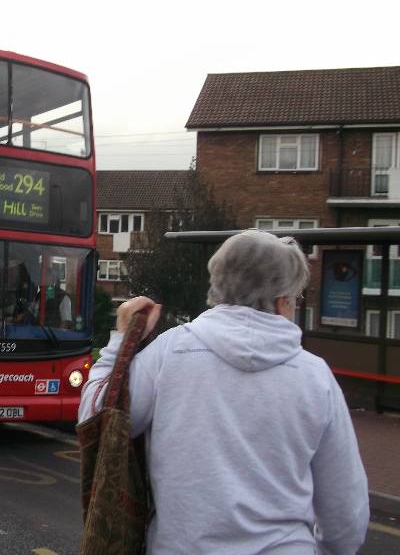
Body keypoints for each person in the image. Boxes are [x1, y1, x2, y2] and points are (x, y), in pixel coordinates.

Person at [79, 230, 369, 554]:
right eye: (296, 298)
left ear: (217, 286)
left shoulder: (168, 353)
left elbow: (99, 417)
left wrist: (120, 341)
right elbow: (346, 512)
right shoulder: (316, 377)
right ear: (282, 300)